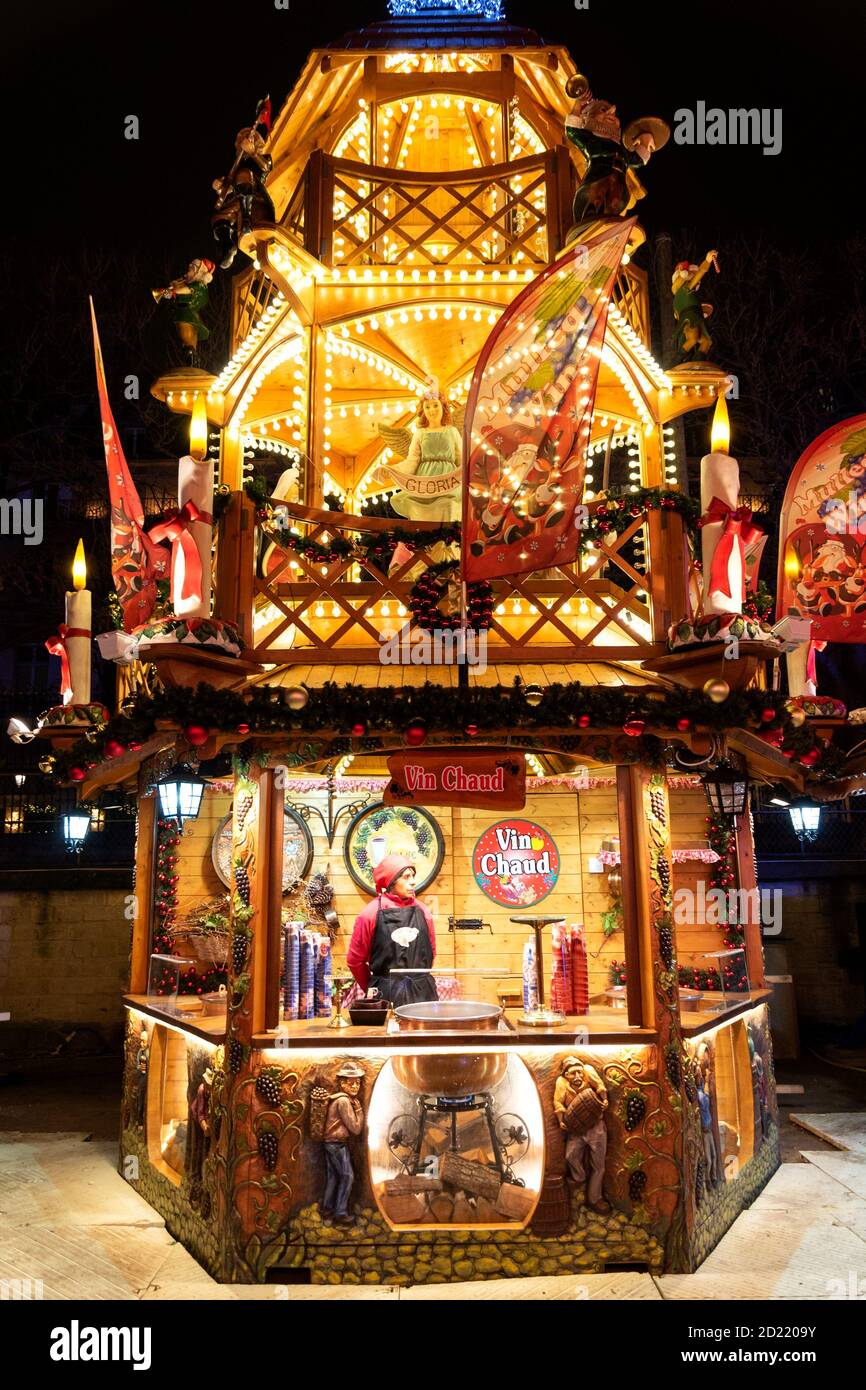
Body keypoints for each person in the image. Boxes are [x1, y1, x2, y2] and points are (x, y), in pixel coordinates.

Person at [347, 854, 438, 1006]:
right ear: (391, 881)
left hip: (423, 994)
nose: (413, 882)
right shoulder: (369, 914)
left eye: (413, 876)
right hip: (385, 995)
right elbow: (355, 960)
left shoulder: (423, 911)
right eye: (406, 877)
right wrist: (375, 987)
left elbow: (431, 952)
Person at [387, 394, 462, 524]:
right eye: (427, 407)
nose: (432, 410)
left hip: (449, 481)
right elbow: (412, 461)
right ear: (423, 411)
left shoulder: (452, 431)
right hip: (425, 482)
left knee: (449, 509)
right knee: (421, 515)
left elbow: (461, 458)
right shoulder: (420, 434)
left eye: (435, 405)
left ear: (443, 407)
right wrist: (392, 470)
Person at [553, 1055, 611, 1214]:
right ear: (566, 1075)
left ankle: (594, 1198)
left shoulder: (588, 1073)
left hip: (595, 1127)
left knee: (598, 1166)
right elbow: (558, 1102)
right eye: (573, 1073)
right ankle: (579, 1177)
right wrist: (561, 1120)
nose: (577, 1076)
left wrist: (604, 1099)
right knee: (570, 1156)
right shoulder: (561, 1084)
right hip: (576, 1129)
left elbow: (599, 1086)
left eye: (579, 1072)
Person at [321, 1062, 365, 1227]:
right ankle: (340, 1212)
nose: (355, 1086)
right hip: (337, 1144)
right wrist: (359, 1111)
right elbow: (355, 1128)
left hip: (329, 1143)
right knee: (347, 1177)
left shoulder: (336, 1099)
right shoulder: (344, 1102)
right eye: (350, 1082)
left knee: (333, 1177)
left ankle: (327, 1209)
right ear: (342, 1083)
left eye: (358, 1082)